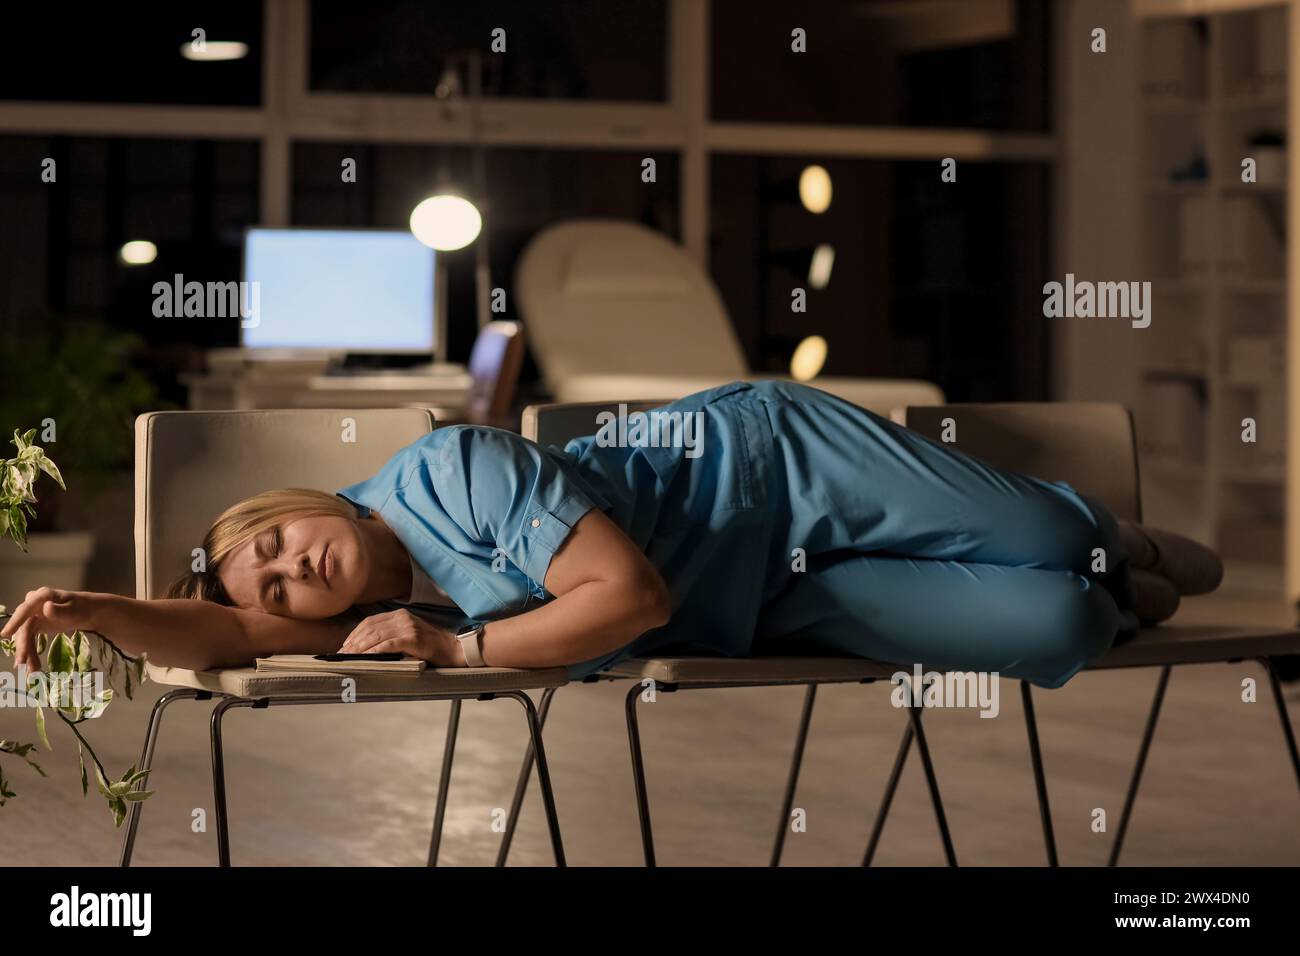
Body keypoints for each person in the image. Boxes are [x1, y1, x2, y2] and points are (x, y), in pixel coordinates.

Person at [2, 380, 1221, 689]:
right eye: (272, 583)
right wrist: (91, 612)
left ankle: (1106, 530)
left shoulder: (448, 469)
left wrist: (460, 657)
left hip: (775, 473)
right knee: (1058, 624)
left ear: (312, 502)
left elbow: (624, 595)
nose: (283, 570)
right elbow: (216, 636)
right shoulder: (370, 611)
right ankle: (1105, 585)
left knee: (1059, 547)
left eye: (274, 538)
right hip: (760, 607)